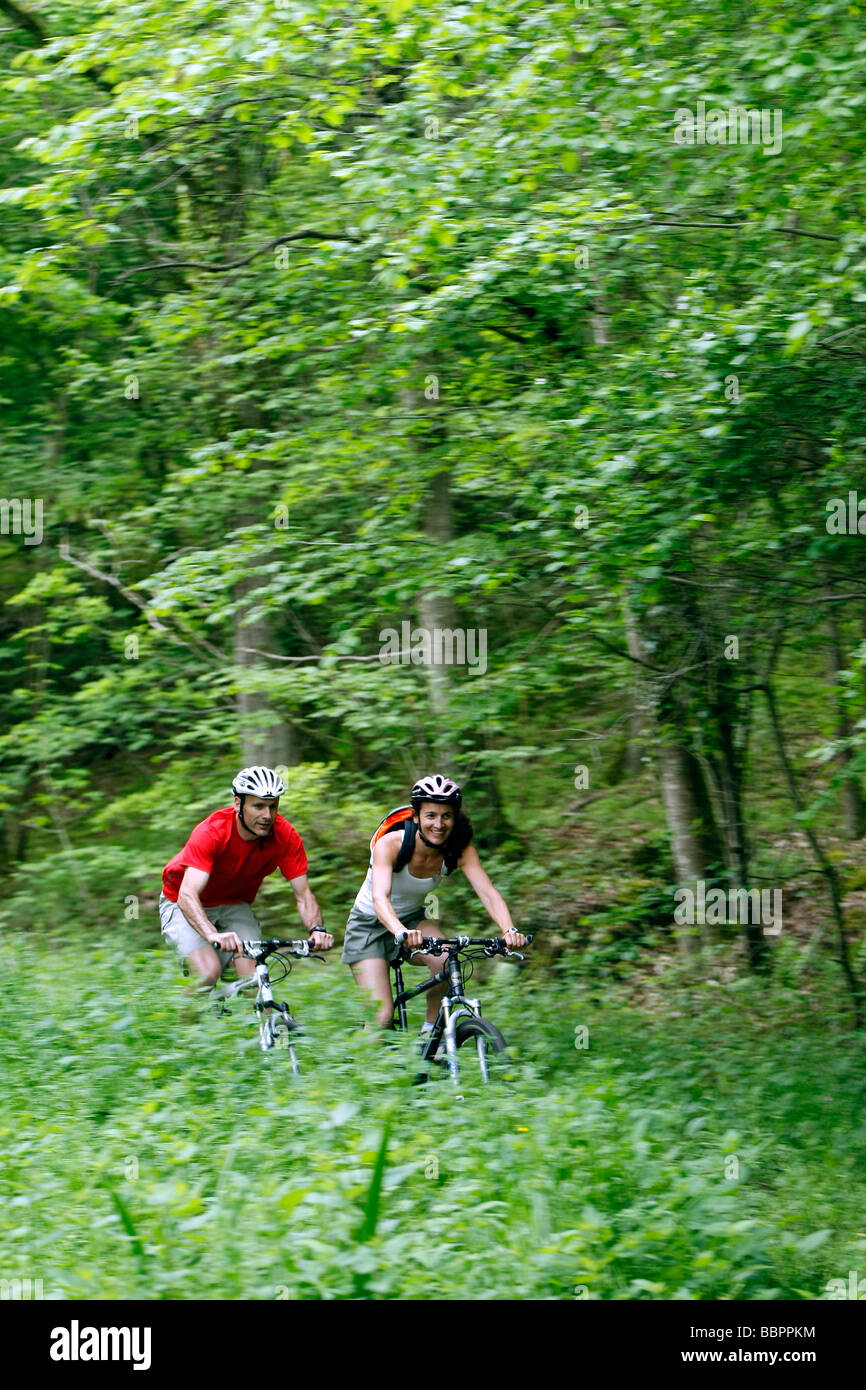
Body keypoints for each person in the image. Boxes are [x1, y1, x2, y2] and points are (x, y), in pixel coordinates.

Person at [342, 774, 525, 1029]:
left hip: (411, 920)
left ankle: (431, 1038)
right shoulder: (391, 844)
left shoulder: (459, 849)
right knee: (381, 1018)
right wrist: (400, 932)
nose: (438, 824)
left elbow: (488, 892)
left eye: (446, 816)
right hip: (369, 926)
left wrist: (509, 930)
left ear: (455, 818)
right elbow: (379, 898)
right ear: (416, 816)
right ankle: (361, 1064)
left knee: (447, 959)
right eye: (430, 815)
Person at [159, 765, 333, 996]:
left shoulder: (286, 836)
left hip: (234, 904)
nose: (267, 815)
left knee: (254, 977)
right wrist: (212, 934)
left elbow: (303, 895)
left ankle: (267, 1029)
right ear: (238, 803)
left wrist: (317, 929)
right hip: (183, 901)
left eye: (273, 806)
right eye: (258, 806)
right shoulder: (212, 832)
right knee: (207, 974)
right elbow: (187, 894)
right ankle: (185, 1030)